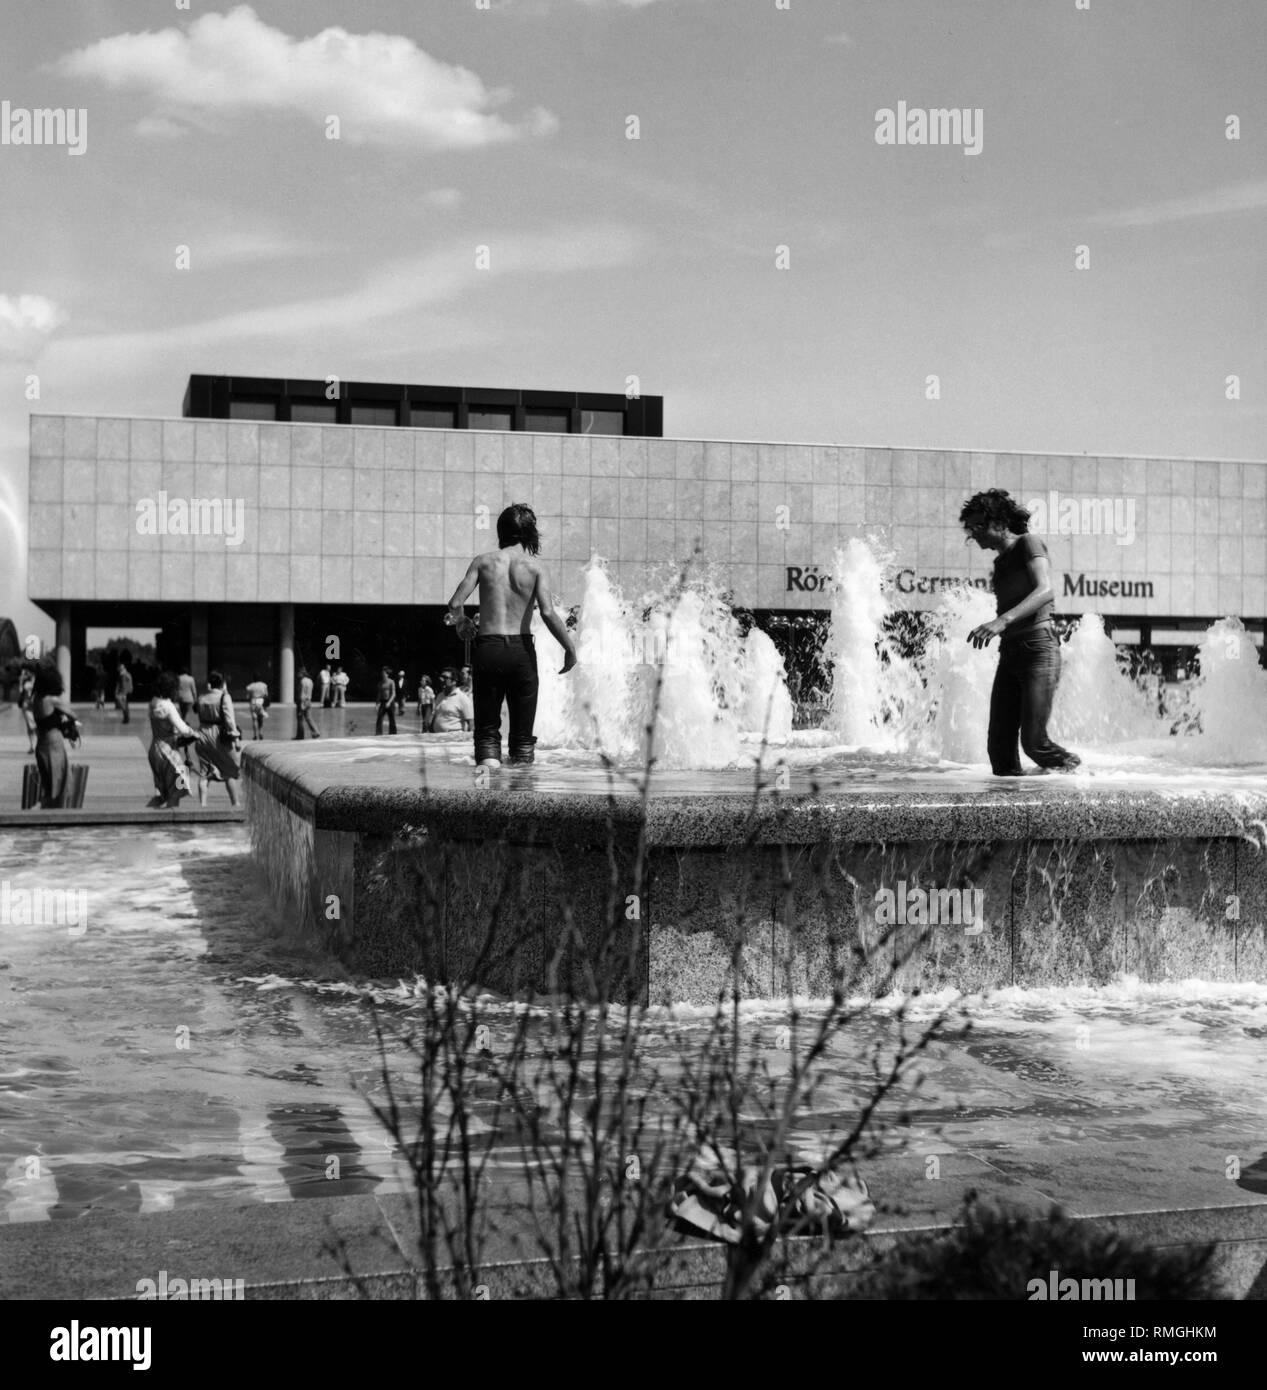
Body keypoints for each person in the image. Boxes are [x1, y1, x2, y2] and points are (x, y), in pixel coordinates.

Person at [445, 502, 577, 767]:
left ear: (500, 531)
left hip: (488, 649)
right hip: (520, 653)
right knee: (522, 740)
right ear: (529, 533)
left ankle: (483, 796)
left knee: (486, 735)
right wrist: (570, 649)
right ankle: (521, 801)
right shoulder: (536, 568)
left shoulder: (483, 562)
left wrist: (463, 625)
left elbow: (456, 604)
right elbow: (548, 613)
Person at [962, 489, 1081, 777]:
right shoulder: (1000, 563)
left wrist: (1001, 621)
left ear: (999, 521)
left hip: (1038, 649)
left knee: (1034, 743)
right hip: (1010, 654)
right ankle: (1010, 815)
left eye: (979, 525)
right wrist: (1001, 626)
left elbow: (1045, 590)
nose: (973, 533)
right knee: (999, 748)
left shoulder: (1028, 543)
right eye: (970, 528)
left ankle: (1077, 778)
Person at [31, 663, 81, 808]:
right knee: (60, 790)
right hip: (55, 747)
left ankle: (44, 819)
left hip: (41, 746)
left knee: (49, 789)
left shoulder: (36, 700)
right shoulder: (52, 700)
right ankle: (33, 814)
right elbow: (74, 714)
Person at [147, 672, 197, 808]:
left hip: (155, 751)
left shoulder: (152, 703)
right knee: (179, 789)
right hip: (170, 753)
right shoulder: (168, 706)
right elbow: (183, 729)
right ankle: (173, 825)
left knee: (162, 794)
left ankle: (148, 820)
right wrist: (194, 733)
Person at [193, 671, 242, 807]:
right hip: (218, 735)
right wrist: (235, 738)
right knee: (229, 769)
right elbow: (229, 719)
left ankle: (202, 805)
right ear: (222, 683)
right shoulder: (224, 697)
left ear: (209, 683)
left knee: (204, 771)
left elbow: (196, 709)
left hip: (202, 734)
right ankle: (235, 803)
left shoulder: (201, 697)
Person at [430, 667, 473, 733]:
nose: (441, 679)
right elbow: (436, 716)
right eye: (441, 677)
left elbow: (471, 723)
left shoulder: (462, 698)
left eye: (445, 677)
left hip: (454, 741)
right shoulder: (440, 696)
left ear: (454, 681)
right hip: (438, 739)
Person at [293, 666, 321, 740]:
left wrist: (300, 703)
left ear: (302, 673)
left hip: (302, 701)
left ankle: (300, 735)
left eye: (298, 673)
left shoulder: (302, 681)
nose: (297, 674)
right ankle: (316, 731)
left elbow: (302, 693)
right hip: (308, 700)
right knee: (309, 718)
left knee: (300, 718)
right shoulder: (310, 681)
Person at [16, 665, 37, 754]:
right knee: (30, 726)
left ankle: (36, 745)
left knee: (36, 726)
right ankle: (32, 746)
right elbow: (20, 691)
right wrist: (21, 680)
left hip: (36, 705)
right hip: (26, 706)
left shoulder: (38, 679)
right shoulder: (25, 681)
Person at [375, 666, 397, 735]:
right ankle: (378, 733)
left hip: (390, 702)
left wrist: (389, 702)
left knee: (392, 718)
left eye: (384, 673)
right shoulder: (380, 683)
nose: (383, 675)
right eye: (382, 673)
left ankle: (393, 733)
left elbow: (393, 694)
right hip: (383, 702)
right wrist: (377, 703)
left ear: (387, 674)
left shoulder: (391, 682)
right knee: (379, 717)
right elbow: (379, 694)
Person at [115, 656, 134, 724]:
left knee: (124, 705)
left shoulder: (124, 674)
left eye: (121, 667)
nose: (119, 668)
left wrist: (123, 692)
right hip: (124, 691)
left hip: (124, 692)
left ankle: (126, 718)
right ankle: (126, 718)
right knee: (125, 705)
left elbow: (124, 684)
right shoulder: (125, 674)